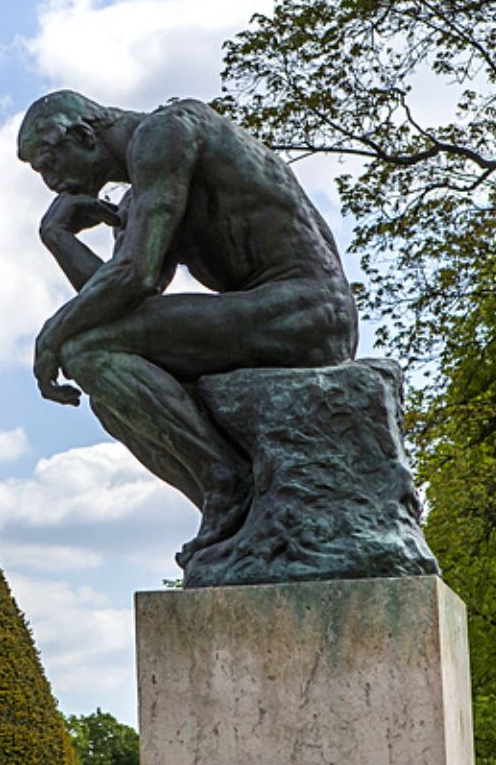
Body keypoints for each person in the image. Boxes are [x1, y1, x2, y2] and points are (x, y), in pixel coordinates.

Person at [19, 90, 358, 563]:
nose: (53, 183)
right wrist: (56, 237)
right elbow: (123, 300)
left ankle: (227, 482)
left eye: (50, 163)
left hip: (310, 309)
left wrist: (53, 335)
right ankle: (233, 514)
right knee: (109, 391)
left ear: (83, 135)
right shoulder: (139, 195)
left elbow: (134, 277)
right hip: (266, 313)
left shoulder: (166, 133)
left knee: (85, 352)